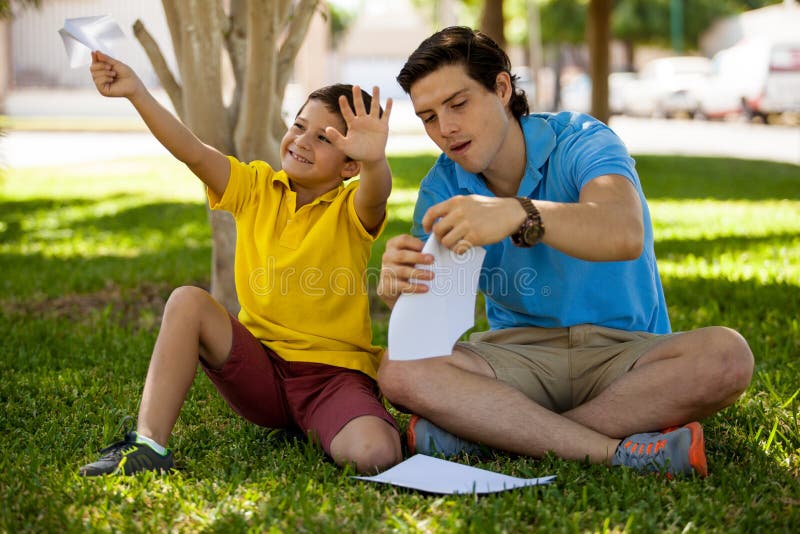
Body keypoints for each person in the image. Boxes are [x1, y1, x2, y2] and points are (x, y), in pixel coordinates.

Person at [376, 27, 754, 477]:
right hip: (519, 358)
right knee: (398, 370)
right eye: (429, 117)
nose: (446, 128)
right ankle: (615, 451)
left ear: (501, 88)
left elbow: (624, 230)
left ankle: (503, 435)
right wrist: (402, 289)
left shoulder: (582, 139)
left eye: (458, 104)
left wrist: (519, 213)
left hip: (626, 354)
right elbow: (430, 315)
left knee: (727, 356)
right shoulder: (441, 185)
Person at [79, 51, 401, 476]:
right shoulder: (256, 187)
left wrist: (375, 160)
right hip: (260, 371)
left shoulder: (350, 209)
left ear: (349, 164)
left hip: (332, 378)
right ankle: (149, 445)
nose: (302, 141)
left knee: (376, 455)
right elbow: (193, 152)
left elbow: (375, 195)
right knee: (188, 301)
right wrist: (137, 92)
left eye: (324, 138)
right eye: (298, 127)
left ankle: (333, 422)